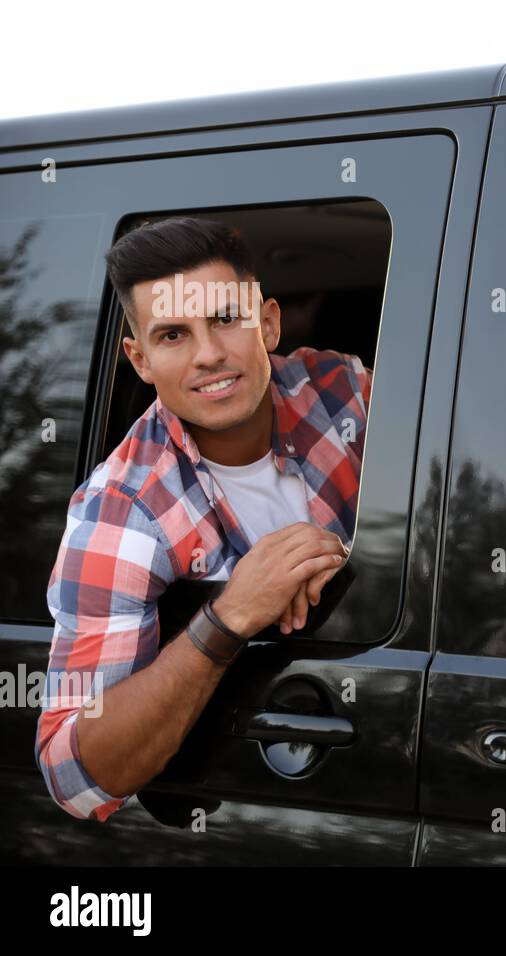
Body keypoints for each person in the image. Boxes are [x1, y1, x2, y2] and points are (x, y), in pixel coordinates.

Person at [38, 217, 368, 821]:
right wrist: (228, 617)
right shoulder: (122, 512)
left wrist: (353, 559)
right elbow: (74, 777)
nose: (209, 355)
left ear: (267, 323)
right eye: (172, 335)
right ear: (139, 359)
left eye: (223, 319)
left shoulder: (339, 388)